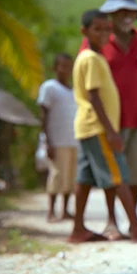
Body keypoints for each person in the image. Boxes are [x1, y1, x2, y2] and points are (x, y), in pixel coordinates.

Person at [69, 9, 137, 244]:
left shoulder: (90, 57)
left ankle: (78, 229)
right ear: (85, 32)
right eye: (97, 29)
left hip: (86, 127)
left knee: (84, 178)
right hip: (98, 128)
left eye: (106, 29)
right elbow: (94, 97)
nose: (104, 33)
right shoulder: (92, 59)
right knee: (118, 176)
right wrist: (111, 131)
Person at [37, 53, 77, 222]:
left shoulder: (73, 90)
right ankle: (51, 211)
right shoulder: (49, 87)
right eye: (63, 66)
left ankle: (65, 210)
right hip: (56, 140)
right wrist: (47, 141)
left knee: (70, 177)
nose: (66, 70)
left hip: (73, 140)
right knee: (56, 175)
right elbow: (44, 115)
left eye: (69, 67)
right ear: (55, 68)